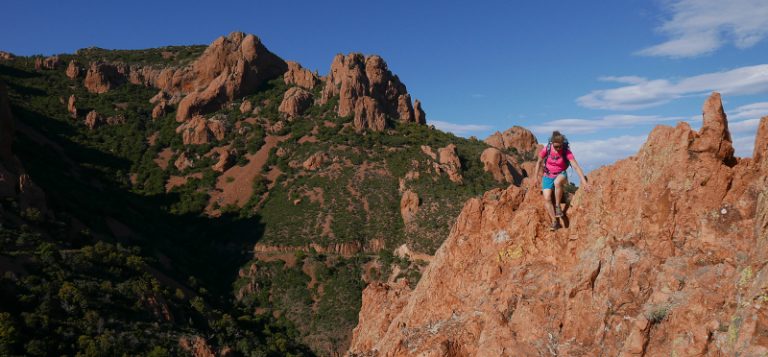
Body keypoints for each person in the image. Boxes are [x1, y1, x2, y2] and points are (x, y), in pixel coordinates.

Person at [532, 131, 590, 231]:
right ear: (552, 143)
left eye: (560, 146)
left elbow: (576, 166)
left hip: (561, 174)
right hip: (548, 175)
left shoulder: (566, 151)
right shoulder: (547, 149)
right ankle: (555, 222)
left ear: (563, 144)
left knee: (557, 182)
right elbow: (538, 162)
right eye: (556, 146)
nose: (558, 148)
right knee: (547, 198)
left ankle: (558, 206)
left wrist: (584, 182)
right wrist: (535, 177)